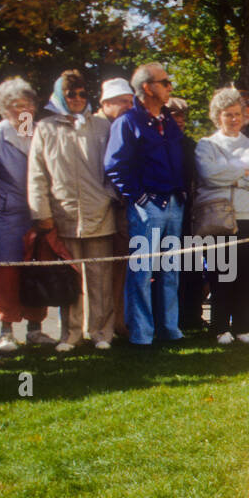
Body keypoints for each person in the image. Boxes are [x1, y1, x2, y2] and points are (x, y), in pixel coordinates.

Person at [27, 69, 119, 352]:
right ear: (59, 96)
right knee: (69, 279)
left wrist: (108, 196)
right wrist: (42, 213)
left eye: (82, 94)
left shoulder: (102, 127)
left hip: (100, 215)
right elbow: (37, 175)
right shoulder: (44, 128)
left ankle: (102, 332)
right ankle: (70, 334)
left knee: (100, 279)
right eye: (71, 94)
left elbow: (116, 168)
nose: (78, 99)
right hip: (62, 216)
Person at [103, 63, 189, 349]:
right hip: (147, 206)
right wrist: (138, 197)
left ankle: (169, 329)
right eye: (165, 82)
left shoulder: (167, 121)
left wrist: (182, 191)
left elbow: (181, 158)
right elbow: (114, 165)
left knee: (171, 268)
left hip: (174, 203)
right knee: (141, 271)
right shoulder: (127, 122)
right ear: (148, 87)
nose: (170, 87)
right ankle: (141, 334)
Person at [195, 87, 249, 344]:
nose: (234, 119)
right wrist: (244, 173)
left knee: (248, 273)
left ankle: (243, 326)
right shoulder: (207, 145)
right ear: (217, 116)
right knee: (221, 272)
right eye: (228, 114)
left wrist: (230, 174)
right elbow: (209, 174)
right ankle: (219, 327)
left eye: (238, 114)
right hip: (220, 216)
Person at [0, 77, 50, 353]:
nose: (25, 111)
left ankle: (36, 329)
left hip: (38, 216)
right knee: (6, 274)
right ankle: (6, 331)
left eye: (29, 105)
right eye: (17, 106)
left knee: (37, 271)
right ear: (4, 109)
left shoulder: (41, 133)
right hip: (4, 218)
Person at [97, 78, 133, 342]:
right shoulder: (92, 127)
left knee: (121, 268)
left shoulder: (127, 125)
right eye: (122, 101)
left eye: (131, 102)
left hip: (121, 207)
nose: (127, 106)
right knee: (96, 272)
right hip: (95, 208)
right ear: (105, 102)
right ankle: (96, 327)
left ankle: (118, 321)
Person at [166, 96, 205, 330]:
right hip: (165, 211)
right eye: (174, 115)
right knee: (167, 269)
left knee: (191, 267)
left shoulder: (190, 145)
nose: (179, 120)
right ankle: (169, 318)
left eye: (182, 115)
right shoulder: (157, 143)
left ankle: (191, 316)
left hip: (189, 213)